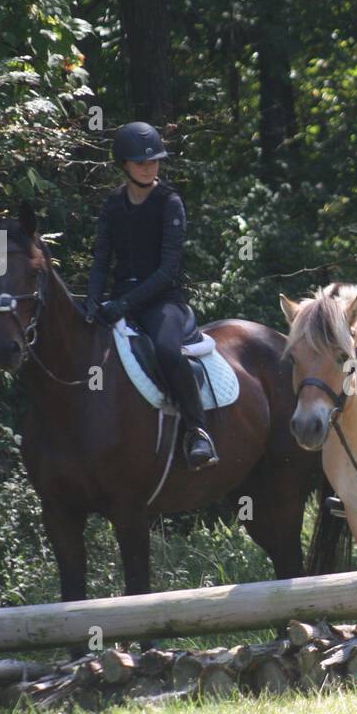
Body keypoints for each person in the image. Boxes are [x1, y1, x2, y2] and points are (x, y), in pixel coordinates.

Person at [86, 121, 217, 470]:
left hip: (162, 301)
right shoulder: (113, 204)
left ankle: (197, 431)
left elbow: (167, 270)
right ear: (125, 165)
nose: (149, 166)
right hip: (118, 299)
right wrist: (91, 303)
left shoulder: (169, 203)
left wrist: (125, 304)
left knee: (167, 351)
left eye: (155, 160)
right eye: (142, 162)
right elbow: (101, 260)